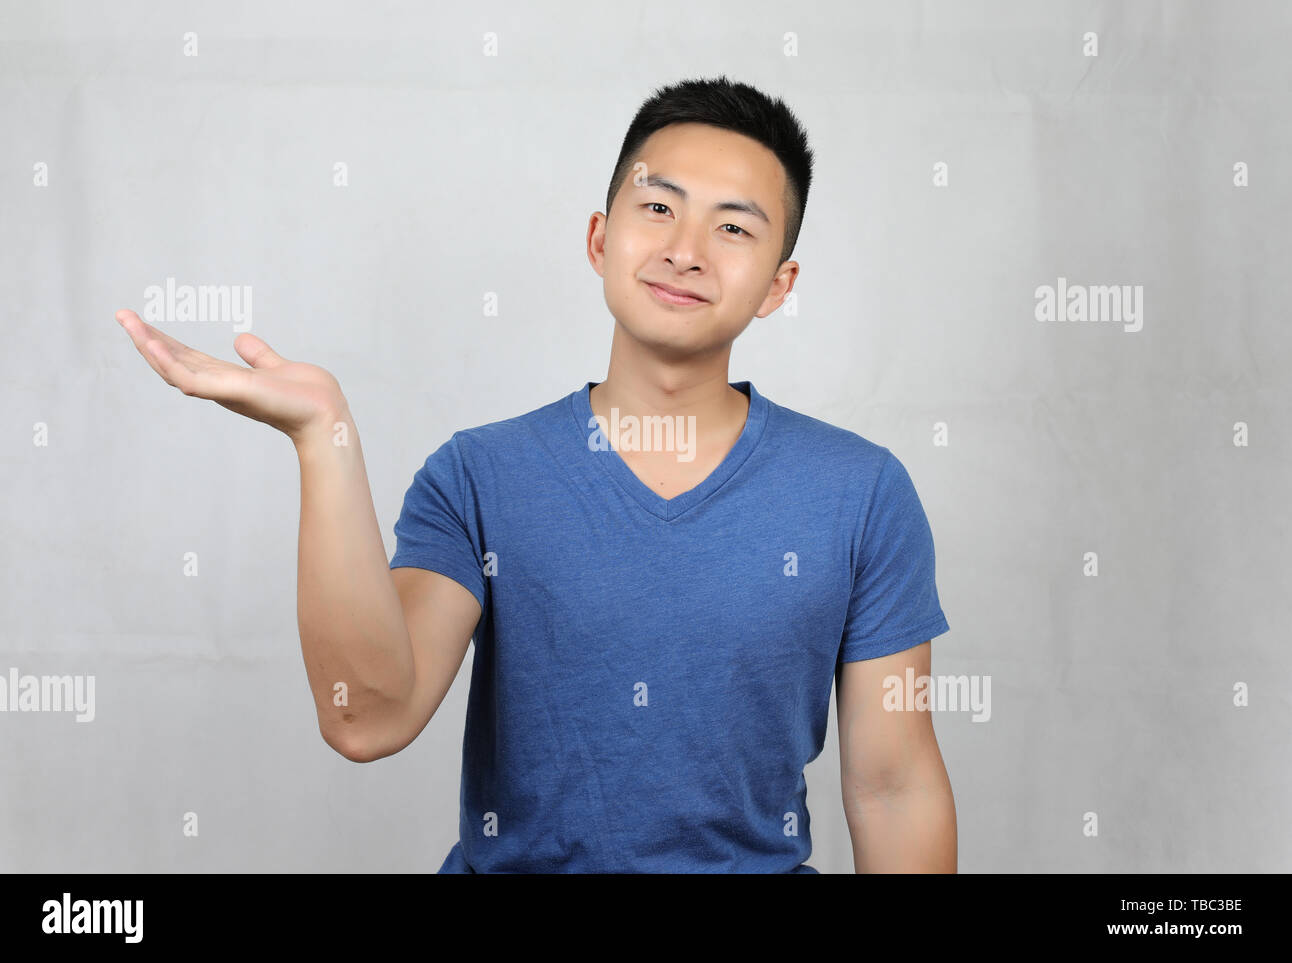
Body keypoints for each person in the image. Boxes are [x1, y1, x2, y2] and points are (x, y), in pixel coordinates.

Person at [115, 74, 955, 873]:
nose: (685, 251)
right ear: (600, 239)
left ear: (778, 285)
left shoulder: (861, 495)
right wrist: (321, 438)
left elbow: (894, 786)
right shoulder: (478, 477)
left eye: (733, 228)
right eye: (657, 207)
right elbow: (366, 716)